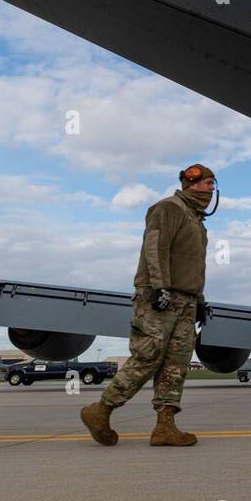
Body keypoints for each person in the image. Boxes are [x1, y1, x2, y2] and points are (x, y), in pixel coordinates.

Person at [80, 164, 215, 447]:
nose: (211, 188)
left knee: (175, 365)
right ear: (190, 184)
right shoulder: (168, 208)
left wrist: (199, 301)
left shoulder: (196, 220)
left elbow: (194, 268)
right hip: (161, 297)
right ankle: (100, 410)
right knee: (148, 357)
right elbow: (155, 248)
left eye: (213, 183)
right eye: (206, 183)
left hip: (186, 301)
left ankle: (165, 427)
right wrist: (158, 287)